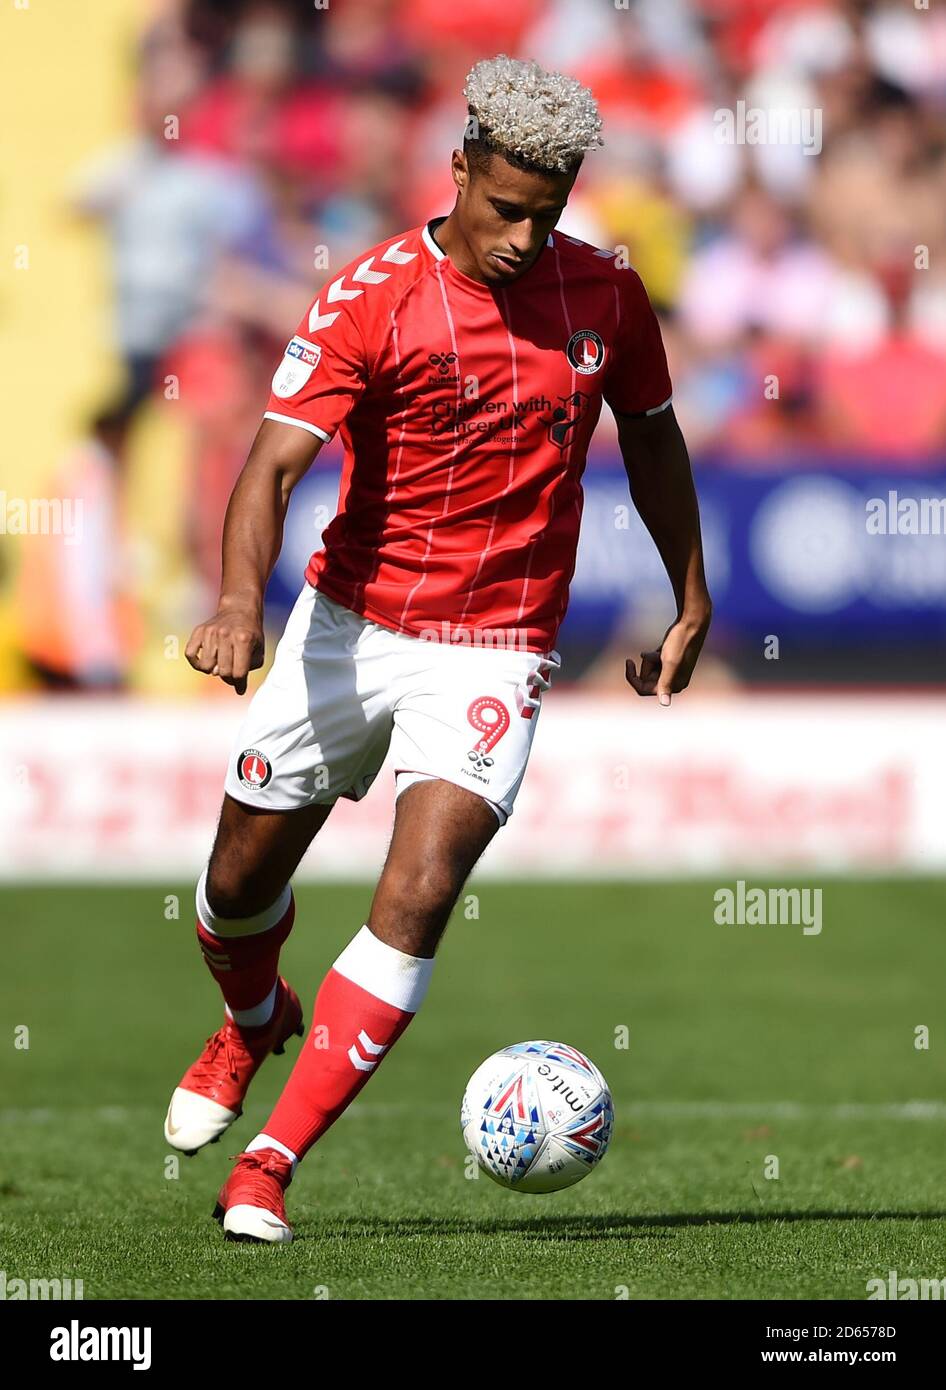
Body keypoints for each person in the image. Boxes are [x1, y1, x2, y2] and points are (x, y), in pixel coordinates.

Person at [164, 55, 712, 1243]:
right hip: (348, 626)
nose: (524, 236)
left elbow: (656, 439)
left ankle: (268, 1165)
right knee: (231, 892)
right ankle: (253, 1022)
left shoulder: (607, 295)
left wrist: (690, 591)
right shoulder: (370, 295)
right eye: (506, 207)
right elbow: (269, 464)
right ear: (457, 168)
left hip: (498, 645)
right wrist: (236, 603)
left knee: (417, 892)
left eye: (547, 214)